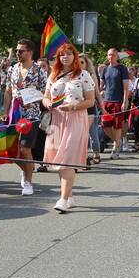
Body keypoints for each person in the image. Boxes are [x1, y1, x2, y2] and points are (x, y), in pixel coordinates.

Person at [42, 42, 94, 212]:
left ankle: (63, 199)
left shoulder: (83, 75)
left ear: (74, 56)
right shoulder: (53, 75)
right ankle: (69, 196)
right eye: (62, 54)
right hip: (56, 120)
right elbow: (45, 97)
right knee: (58, 158)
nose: (65, 57)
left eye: (69, 54)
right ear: (58, 57)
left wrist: (72, 107)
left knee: (67, 160)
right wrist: (48, 103)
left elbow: (90, 101)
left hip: (75, 118)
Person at [4, 38, 47, 195]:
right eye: (17, 50)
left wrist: (32, 99)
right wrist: (4, 111)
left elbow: (45, 93)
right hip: (14, 114)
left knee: (25, 148)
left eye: (21, 51)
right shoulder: (13, 69)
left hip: (32, 114)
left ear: (30, 52)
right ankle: (26, 168)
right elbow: (8, 91)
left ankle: (28, 183)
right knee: (11, 149)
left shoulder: (39, 71)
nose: (17, 53)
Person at [97, 47, 130, 157]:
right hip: (106, 100)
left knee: (117, 126)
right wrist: (99, 95)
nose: (111, 57)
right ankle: (117, 142)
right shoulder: (105, 69)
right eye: (109, 55)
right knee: (105, 125)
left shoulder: (122, 69)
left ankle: (116, 149)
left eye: (113, 55)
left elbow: (126, 87)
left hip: (118, 100)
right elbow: (101, 86)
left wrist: (125, 101)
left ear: (117, 57)